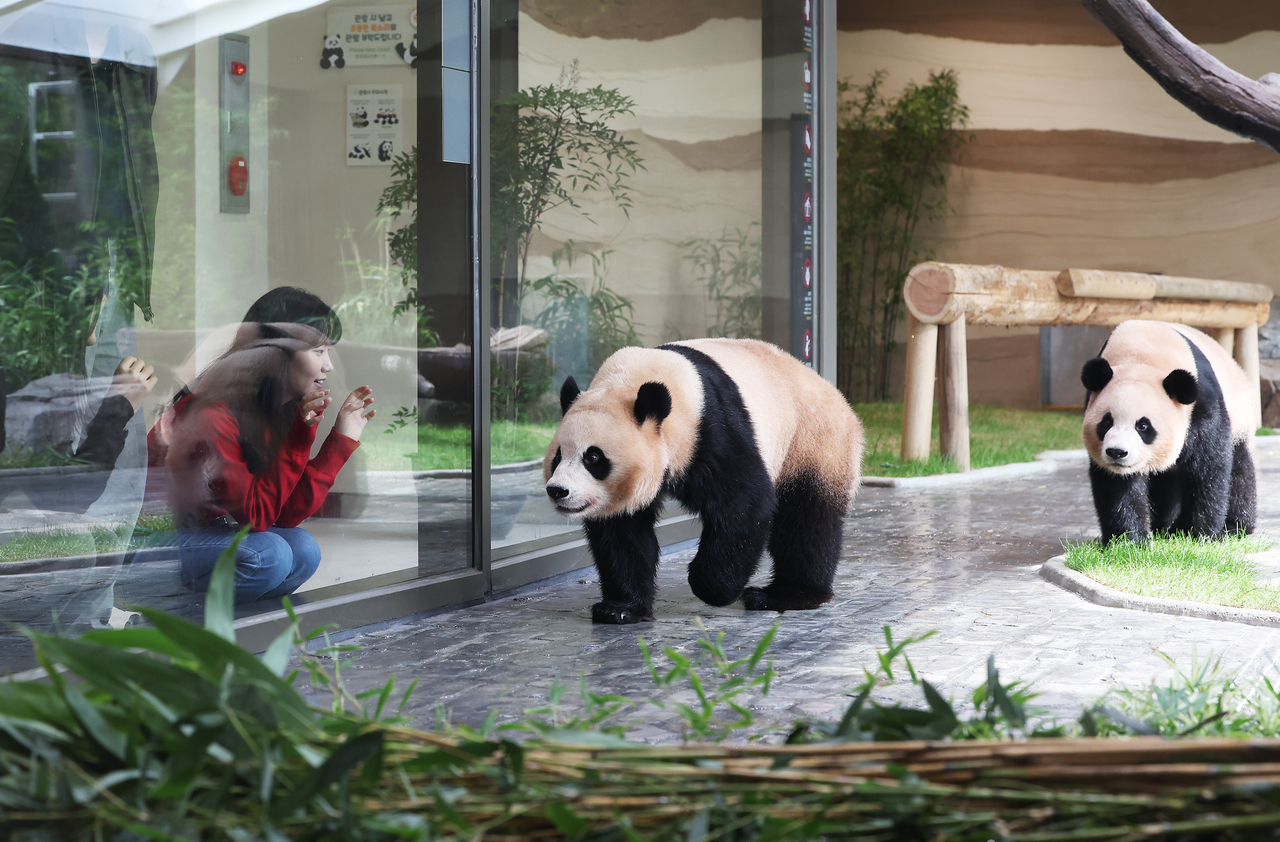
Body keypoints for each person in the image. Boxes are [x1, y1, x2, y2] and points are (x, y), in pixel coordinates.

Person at [150, 321, 374, 604]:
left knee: (304, 550)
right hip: (149, 541)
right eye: (318, 351)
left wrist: (340, 439)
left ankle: (246, 630)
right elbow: (256, 518)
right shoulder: (214, 415)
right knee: (269, 554)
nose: (328, 366)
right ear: (277, 354)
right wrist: (298, 438)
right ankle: (175, 620)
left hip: (204, 531)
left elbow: (285, 515)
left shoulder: (270, 409)